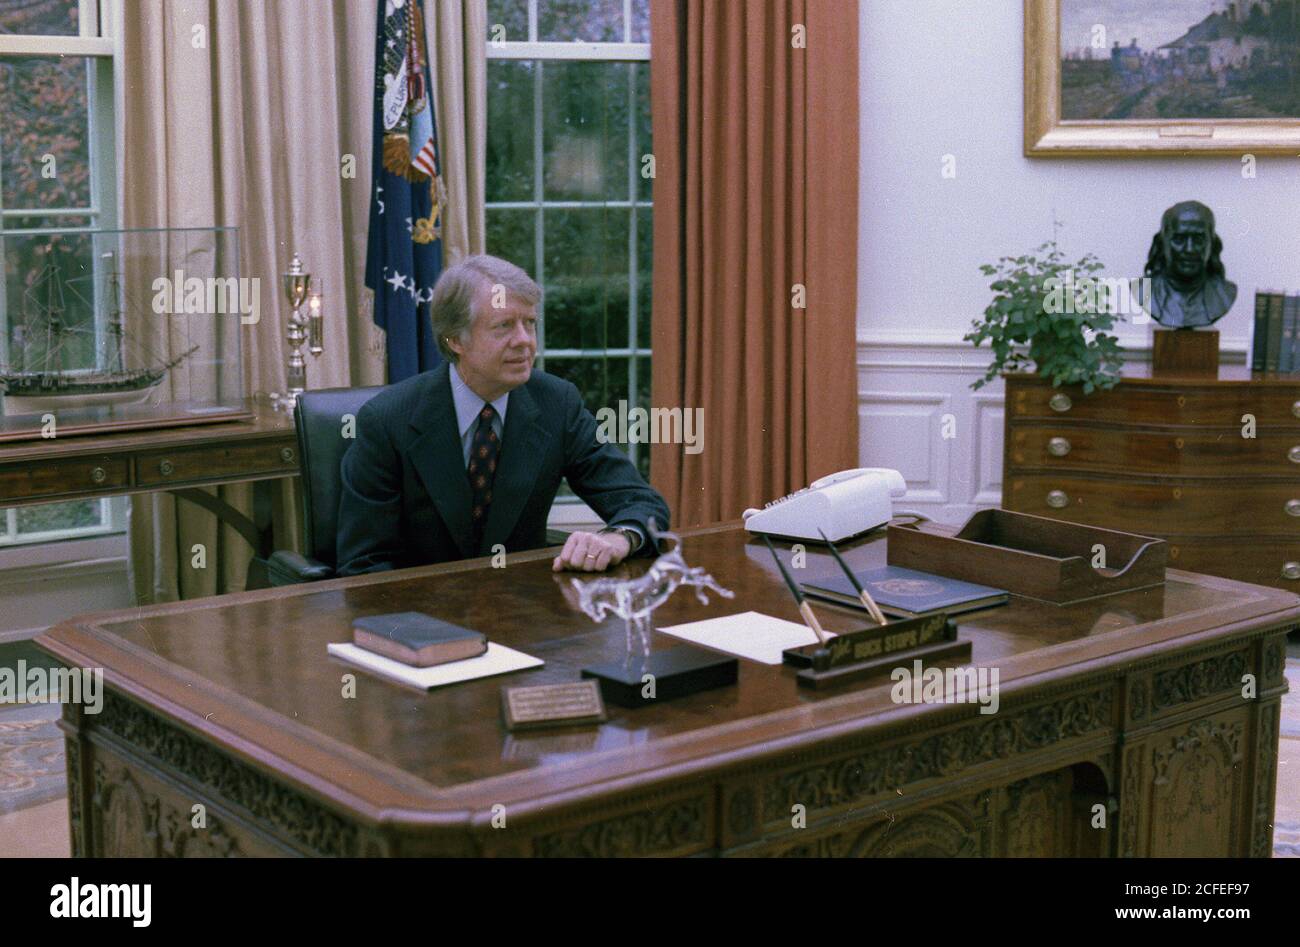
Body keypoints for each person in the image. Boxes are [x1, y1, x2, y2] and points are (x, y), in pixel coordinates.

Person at [335, 255, 670, 576]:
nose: (524, 341)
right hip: (424, 620)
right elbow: (364, 565)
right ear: (455, 339)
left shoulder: (557, 404)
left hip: (523, 613)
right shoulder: (387, 421)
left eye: (529, 323)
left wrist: (618, 539)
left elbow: (641, 502)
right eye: (504, 326)